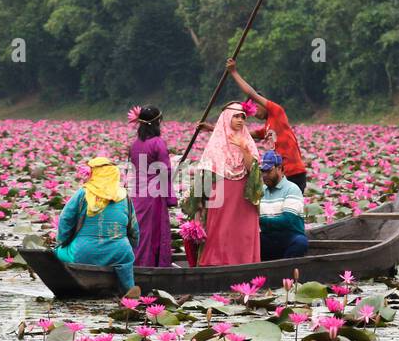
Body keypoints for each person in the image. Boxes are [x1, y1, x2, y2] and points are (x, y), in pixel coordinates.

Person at [184, 101, 261, 266]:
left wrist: (244, 148)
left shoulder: (246, 140)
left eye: (243, 117)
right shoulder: (215, 144)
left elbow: (252, 170)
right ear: (226, 119)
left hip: (243, 195)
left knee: (243, 230)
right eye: (236, 116)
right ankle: (216, 264)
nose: (240, 120)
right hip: (220, 194)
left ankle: (245, 262)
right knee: (220, 229)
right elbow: (205, 172)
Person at [54, 157, 140, 296]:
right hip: (120, 252)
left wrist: (62, 243)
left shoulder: (83, 193)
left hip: (84, 252)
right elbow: (134, 230)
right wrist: (131, 247)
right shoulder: (124, 196)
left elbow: (65, 219)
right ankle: (129, 289)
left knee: (57, 253)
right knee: (125, 261)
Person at [226, 57, 308, 193]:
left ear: (260, 104)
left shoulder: (277, 112)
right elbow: (243, 133)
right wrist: (212, 129)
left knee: (292, 208)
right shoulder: (267, 127)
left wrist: (234, 72)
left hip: (294, 173)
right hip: (280, 175)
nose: (255, 115)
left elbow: (251, 93)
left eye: (255, 110)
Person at [127, 106, 175, 267]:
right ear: (157, 122)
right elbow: (165, 171)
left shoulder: (134, 145)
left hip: (137, 193)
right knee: (151, 232)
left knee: (138, 229)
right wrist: (170, 197)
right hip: (153, 195)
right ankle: (148, 265)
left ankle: (134, 263)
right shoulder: (158, 143)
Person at [258, 151, 308, 261]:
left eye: (268, 171)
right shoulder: (261, 191)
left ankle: (286, 273)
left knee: (300, 242)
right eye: (263, 171)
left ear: (279, 168)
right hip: (268, 238)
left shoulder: (292, 189)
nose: (265, 175)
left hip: (289, 237)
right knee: (251, 241)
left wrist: (259, 220)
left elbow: (287, 220)